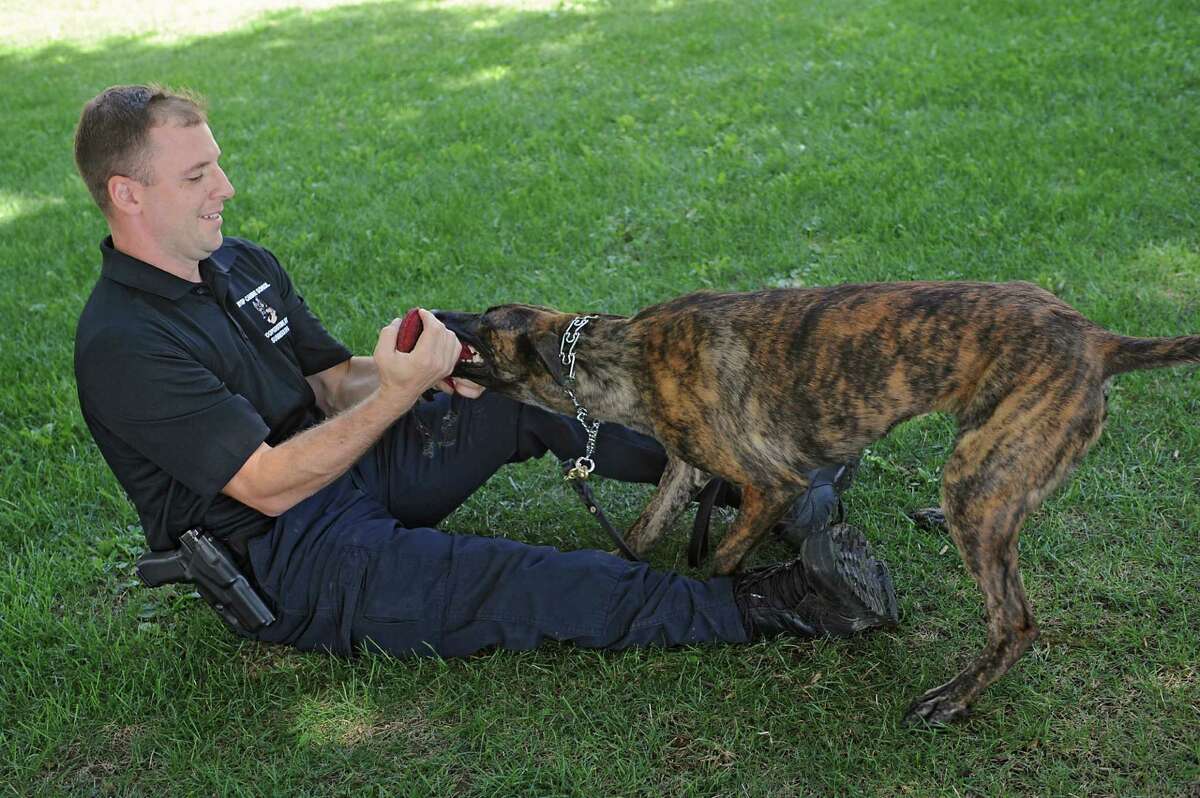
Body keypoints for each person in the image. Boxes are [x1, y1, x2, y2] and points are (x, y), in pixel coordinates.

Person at [72, 84, 898, 660]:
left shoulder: (238, 262)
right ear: (128, 195)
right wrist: (397, 394)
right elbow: (268, 485)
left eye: (216, 162)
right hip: (288, 551)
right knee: (509, 579)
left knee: (520, 389)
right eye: (197, 176)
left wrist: (422, 371)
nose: (226, 186)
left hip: (349, 464)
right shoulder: (125, 342)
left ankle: (758, 476)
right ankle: (776, 603)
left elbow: (328, 383)